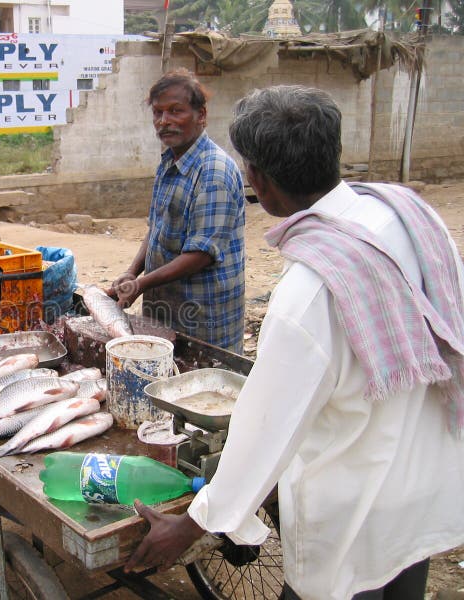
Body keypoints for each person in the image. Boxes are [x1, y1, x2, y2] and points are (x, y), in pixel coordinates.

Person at [125, 85, 464, 599]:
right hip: (421, 488)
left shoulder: (309, 292)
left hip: (353, 514)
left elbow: (266, 431)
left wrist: (192, 525)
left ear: (258, 180)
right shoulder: (411, 215)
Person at [109, 69, 246, 353]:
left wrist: (141, 284)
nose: (164, 121)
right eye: (158, 112)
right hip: (165, 312)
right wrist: (132, 273)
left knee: (202, 376)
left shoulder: (213, 171)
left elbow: (201, 254)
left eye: (175, 111)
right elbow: (157, 229)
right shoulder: (169, 163)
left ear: (201, 115)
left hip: (203, 321)